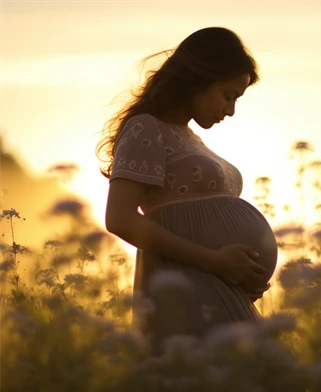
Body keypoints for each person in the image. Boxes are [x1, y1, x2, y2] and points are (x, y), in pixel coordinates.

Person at [96, 27, 278, 351]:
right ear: (199, 78)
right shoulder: (145, 128)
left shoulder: (189, 136)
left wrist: (242, 272)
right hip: (184, 287)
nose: (231, 110)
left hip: (215, 284)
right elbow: (120, 219)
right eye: (228, 95)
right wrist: (215, 261)